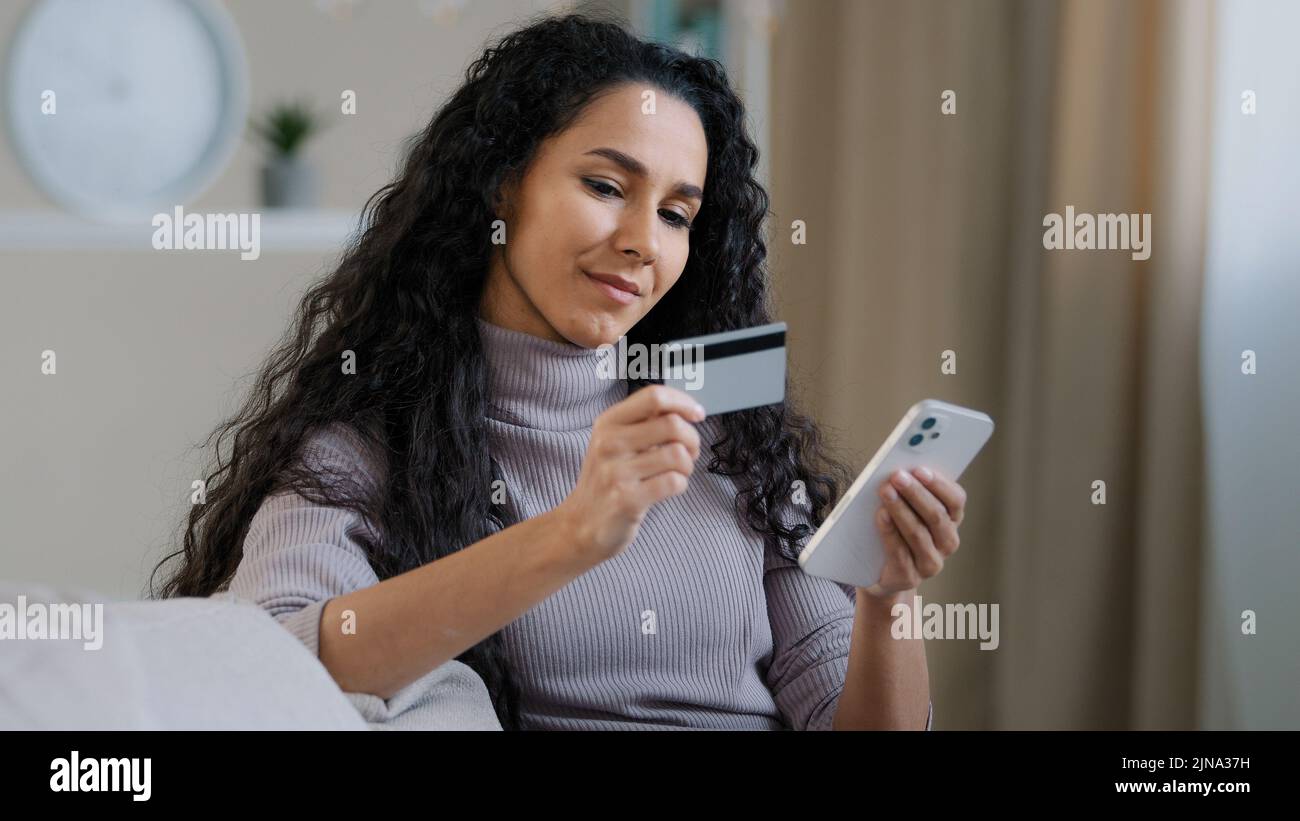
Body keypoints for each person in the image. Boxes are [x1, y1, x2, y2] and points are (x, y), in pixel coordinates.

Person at [151, 13, 966, 731]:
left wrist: (886, 596)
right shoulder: (368, 444)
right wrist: (575, 533)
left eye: (678, 214)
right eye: (607, 185)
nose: (645, 241)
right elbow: (274, 663)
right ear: (504, 186)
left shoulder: (733, 431)